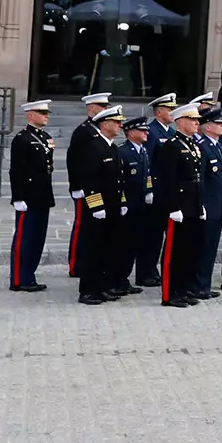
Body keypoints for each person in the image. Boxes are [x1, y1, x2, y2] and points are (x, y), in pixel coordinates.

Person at [71, 104, 126, 305]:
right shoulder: (93, 146)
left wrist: (122, 202)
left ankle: (103, 286)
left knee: (108, 248)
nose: (120, 125)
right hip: (98, 208)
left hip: (111, 206)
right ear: (105, 124)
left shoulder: (111, 146)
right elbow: (89, 179)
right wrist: (96, 205)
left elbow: (118, 179)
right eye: (116, 122)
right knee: (92, 248)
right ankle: (88, 290)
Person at [155, 101, 205, 308]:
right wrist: (173, 207)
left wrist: (199, 204)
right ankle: (170, 294)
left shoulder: (193, 145)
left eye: (197, 120)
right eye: (192, 120)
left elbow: (197, 178)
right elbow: (167, 180)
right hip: (179, 207)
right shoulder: (171, 146)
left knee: (189, 250)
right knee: (174, 252)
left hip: (192, 205)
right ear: (180, 121)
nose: (196, 123)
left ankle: (183, 290)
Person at [8, 100, 56, 293]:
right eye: (41, 112)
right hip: (27, 197)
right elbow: (17, 171)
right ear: (30, 115)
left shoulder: (46, 137)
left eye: (47, 113)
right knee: (24, 238)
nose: (46, 116)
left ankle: (30, 275)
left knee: (38, 239)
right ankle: (19, 279)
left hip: (42, 196)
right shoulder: (22, 139)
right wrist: (18, 197)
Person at [66, 92, 112, 279]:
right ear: (91, 108)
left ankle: (88, 261)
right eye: (101, 106)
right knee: (81, 225)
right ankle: (75, 263)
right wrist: (75, 185)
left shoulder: (99, 129)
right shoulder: (84, 131)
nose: (105, 110)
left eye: (106, 107)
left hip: (98, 186)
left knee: (91, 228)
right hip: (84, 186)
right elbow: (74, 160)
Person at [138, 92, 177, 288]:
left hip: (166, 192)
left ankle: (153, 270)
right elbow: (147, 163)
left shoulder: (170, 132)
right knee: (151, 236)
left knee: (160, 234)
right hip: (155, 192)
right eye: (169, 109)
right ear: (159, 111)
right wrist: (149, 189)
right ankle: (145, 272)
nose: (173, 112)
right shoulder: (152, 132)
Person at [194, 109, 222, 301]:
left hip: (218, 206)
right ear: (207, 126)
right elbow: (201, 181)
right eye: (218, 123)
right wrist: (201, 204)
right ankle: (198, 285)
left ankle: (204, 284)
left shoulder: (217, 146)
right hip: (207, 206)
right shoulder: (203, 147)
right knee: (202, 248)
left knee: (211, 248)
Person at [118, 117, 153, 294]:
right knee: (123, 245)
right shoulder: (123, 152)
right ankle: (117, 279)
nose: (147, 133)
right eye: (142, 130)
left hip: (140, 206)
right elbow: (119, 182)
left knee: (133, 245)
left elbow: (147, 174)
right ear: (131, 133)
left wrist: (149, 190)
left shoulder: (143, 151)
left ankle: (124, 279)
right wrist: (122, 202)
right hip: (128, 206)